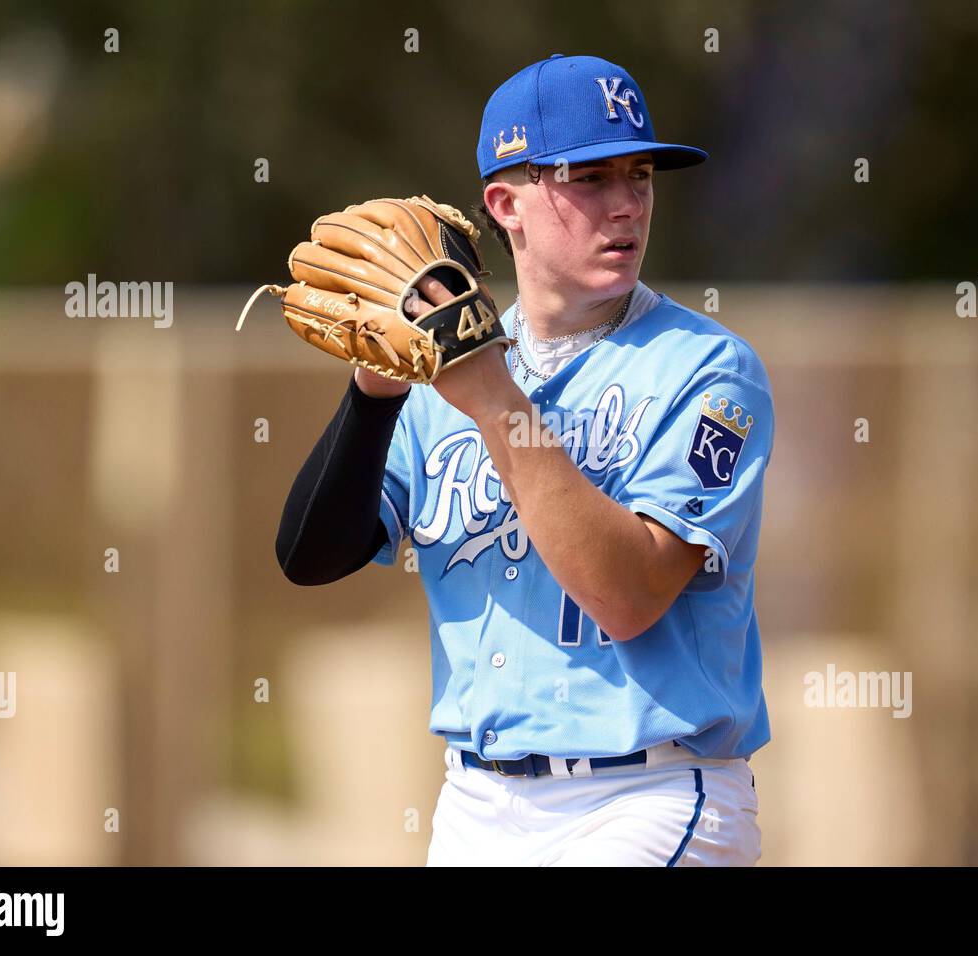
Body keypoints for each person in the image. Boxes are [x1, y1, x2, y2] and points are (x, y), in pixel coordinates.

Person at [276, 53, 773, 866]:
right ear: (506, 203)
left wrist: (496, 400)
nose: (626, 205)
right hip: (476, 801)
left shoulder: (707, 371)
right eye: (590, 177)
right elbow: (310, 556)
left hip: (647, 797)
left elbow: (630, 594)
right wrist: (373, 392)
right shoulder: (442, 379)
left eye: (640, 175)